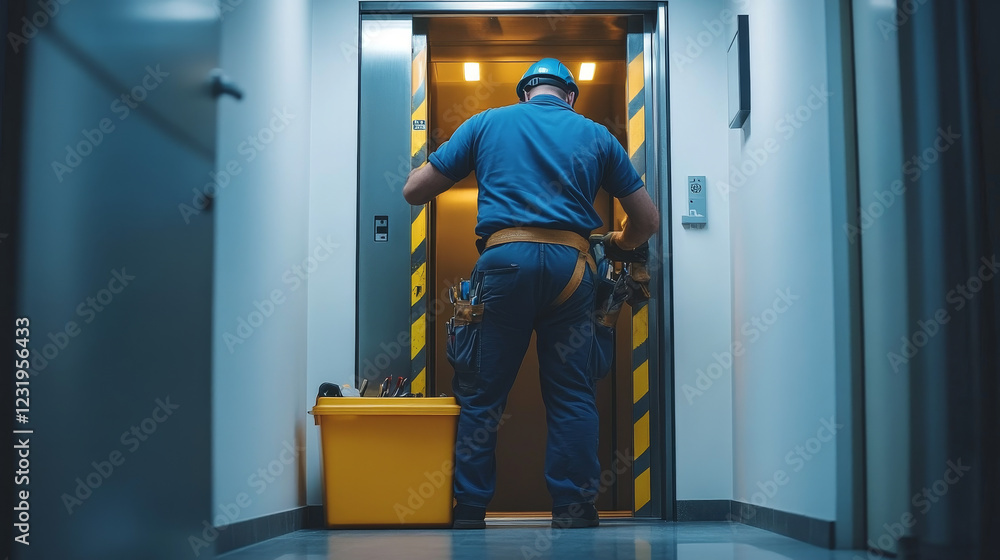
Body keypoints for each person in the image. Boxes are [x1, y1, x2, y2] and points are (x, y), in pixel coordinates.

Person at [402, 58, 659, 529]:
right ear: (570, 96)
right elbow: (648, 223)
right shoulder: (598, 135)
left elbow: (414, 192)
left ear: (525, 93)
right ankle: (574, 510)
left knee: (482, 395)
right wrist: (617, 243)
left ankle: (470, 511)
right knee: (572, 395)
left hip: (503, 264)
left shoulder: (485, 122)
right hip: (574, 270)